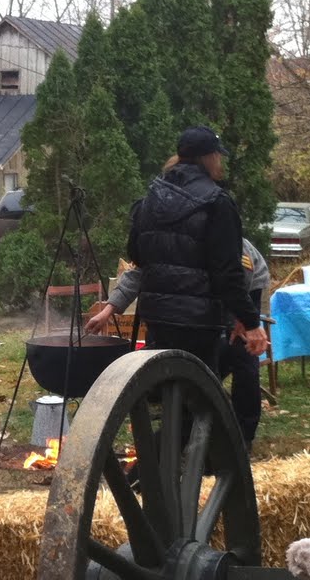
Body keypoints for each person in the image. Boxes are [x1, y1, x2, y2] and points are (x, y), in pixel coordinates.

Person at [84, 237, 270, 446]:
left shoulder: (220, 235)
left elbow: (240, 272)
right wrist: (107, 311)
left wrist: (242, 317)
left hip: (247, 283)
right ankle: (192, 413)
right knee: (192, 353)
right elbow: (136, 275)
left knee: (243, 354)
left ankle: (244, 436)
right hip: (198, 294)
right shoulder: (162, 241)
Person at [119, 125, 267, 372]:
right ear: (209, 157)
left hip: (156, 314)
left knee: (164, 380)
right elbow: (227, 272)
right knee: (198, 392)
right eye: (218, 156)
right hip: (198, 320)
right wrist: (251, 321)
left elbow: (136, 254)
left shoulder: (150, 199)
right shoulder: (217, 202)